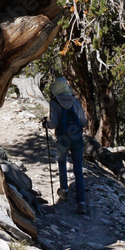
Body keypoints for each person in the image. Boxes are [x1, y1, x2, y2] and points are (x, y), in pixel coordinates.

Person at [47, 76, 87, 214]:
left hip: (63, 138)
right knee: (78, 168)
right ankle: (81, 202)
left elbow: (53, 123)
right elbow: (84, 122)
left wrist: (45, 124)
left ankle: (64, 191)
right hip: (77, 138)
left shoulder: (54, 102)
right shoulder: (75, 101)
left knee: (62, 163)